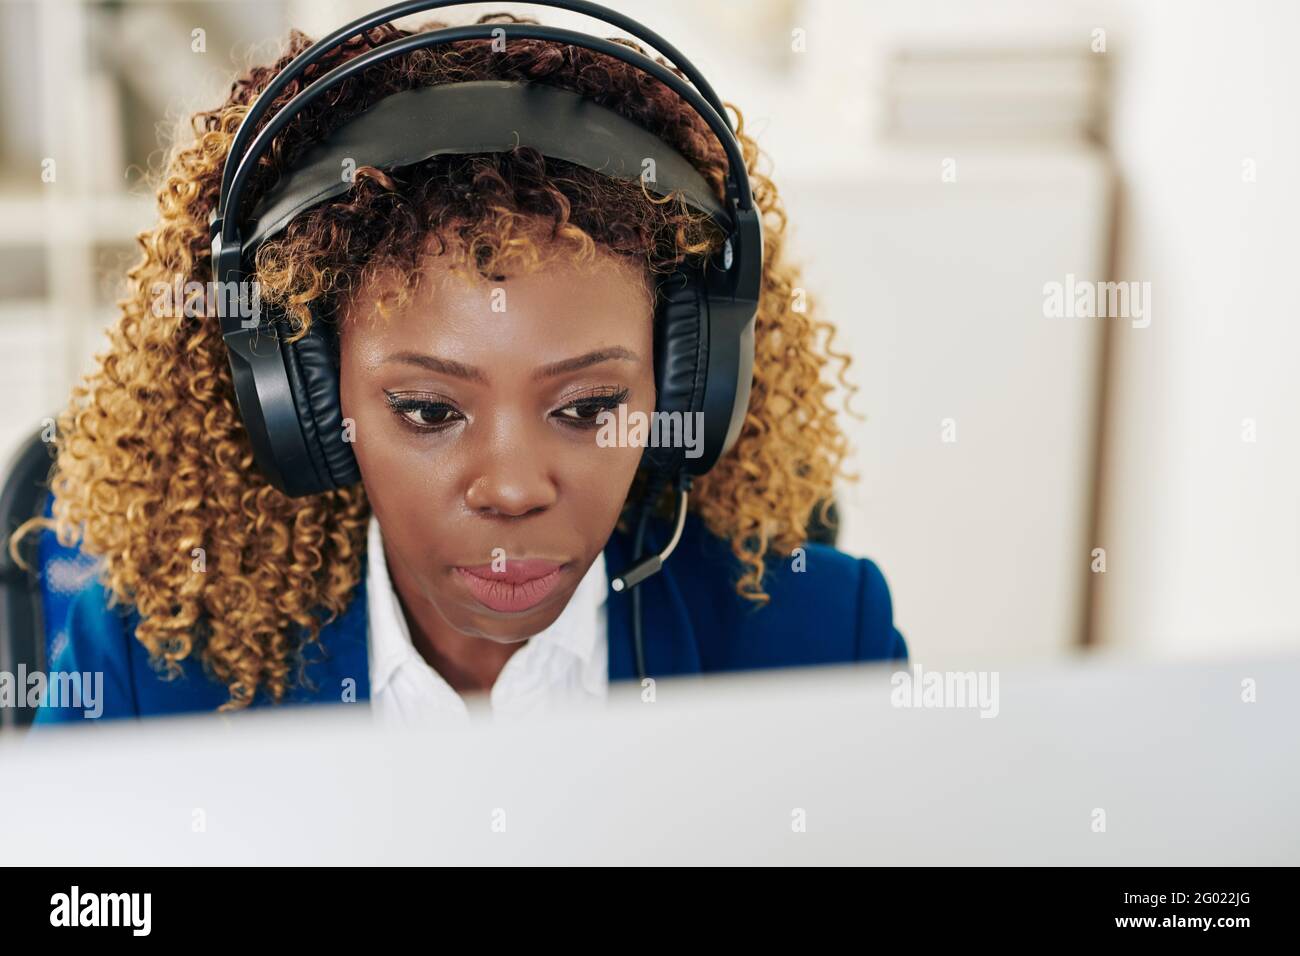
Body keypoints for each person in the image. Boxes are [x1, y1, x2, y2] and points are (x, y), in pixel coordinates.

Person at [16, 10, 905, 727]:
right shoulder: (145, 668)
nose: (512, 490)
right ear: (304, 407)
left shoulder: (823, 642)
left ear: (689, 386)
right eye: (430, 411)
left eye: (591, 405)